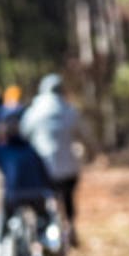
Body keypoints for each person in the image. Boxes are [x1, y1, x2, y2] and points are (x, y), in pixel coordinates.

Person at [0, 115, 58, 256]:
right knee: (43, 220)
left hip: (13, 196)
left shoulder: (1, 149)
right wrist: (51, 189)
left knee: (3, 225)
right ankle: (43, 247)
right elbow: (46, 174)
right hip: (36, 194)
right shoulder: (31, 150)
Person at [19, 73, 83, 243]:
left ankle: (43, 233)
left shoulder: (34, 111)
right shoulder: (70, 110)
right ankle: (70, 225)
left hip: (41, 168)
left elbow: (23, 134)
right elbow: (84, 134)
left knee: (43, 200)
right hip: (68, 168)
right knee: (68, 195)